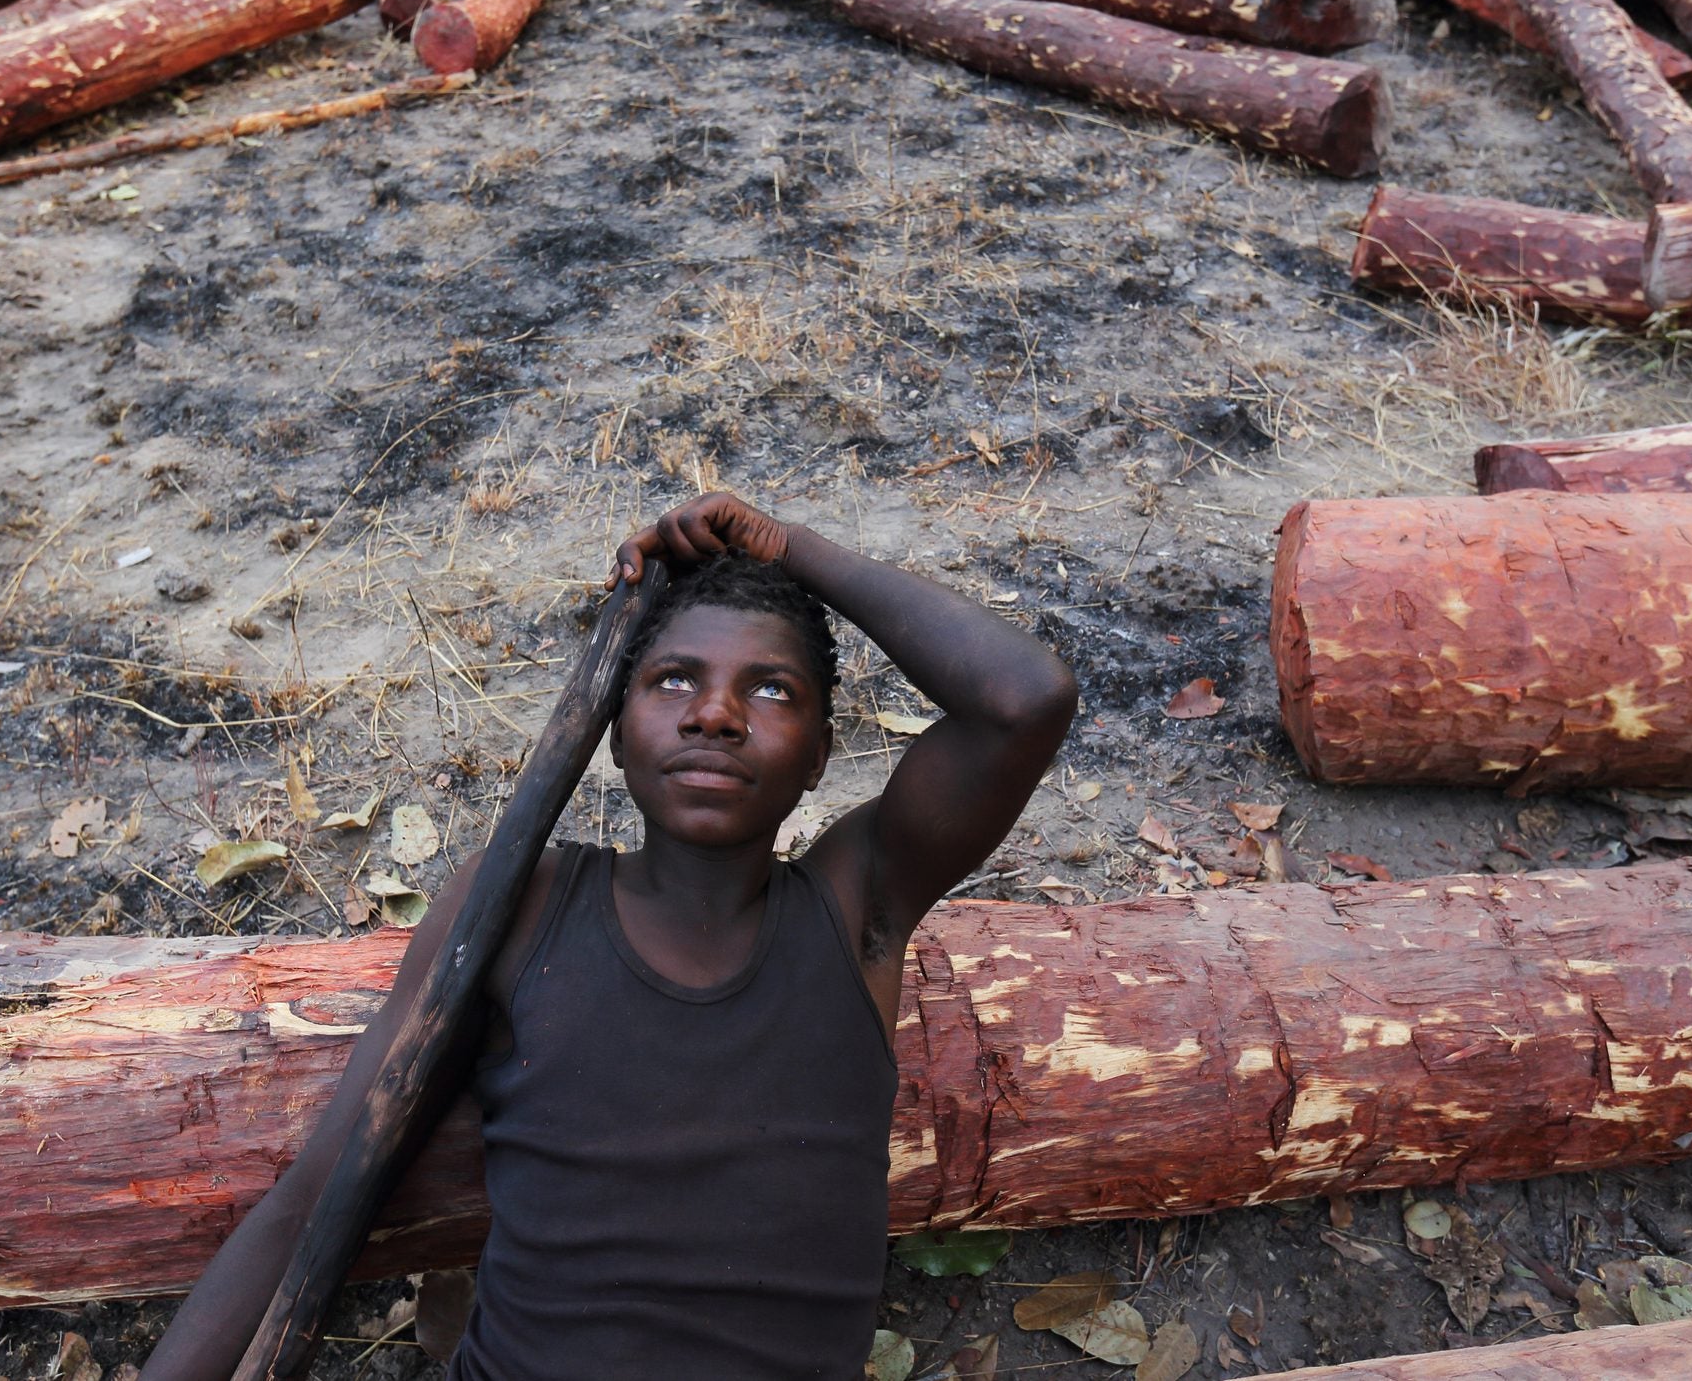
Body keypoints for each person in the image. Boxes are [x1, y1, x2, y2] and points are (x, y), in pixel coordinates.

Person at [145, 492, 1079, 1379]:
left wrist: (788, 546)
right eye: (674, 680)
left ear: (821, 755)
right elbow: (313, 1199)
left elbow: (1024, 700)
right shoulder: (522, 902)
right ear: (616, 733)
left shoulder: (853, 907)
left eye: (771, 690)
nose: (714, 713)